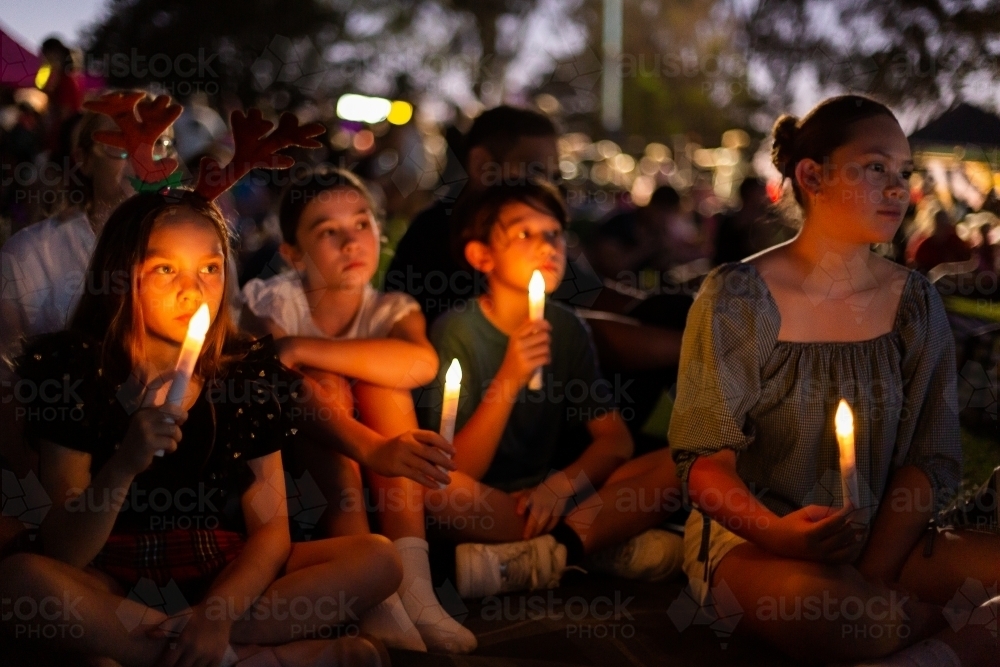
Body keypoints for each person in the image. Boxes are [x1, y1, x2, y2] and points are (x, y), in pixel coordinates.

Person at [0, 189, 398, 666]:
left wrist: (217, 612)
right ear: (120, 275)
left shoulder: (244, 373)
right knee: (22, 582)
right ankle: (248, 659)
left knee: (378, 559)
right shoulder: (76, 373)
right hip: (108, 574)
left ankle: (162, 649)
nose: (192, 290)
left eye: (209, 268)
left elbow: (271, 532)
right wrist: (124, 465)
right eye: (165, 270)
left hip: (219, 569)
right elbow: (66, 550)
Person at [670, 95, 1000, 666]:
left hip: (887, 537)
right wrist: (780, 536)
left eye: (904, 172)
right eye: (876, 168)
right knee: (843, 618)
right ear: (812, 176)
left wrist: (874, 570)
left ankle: (916, 637)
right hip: (758, 542)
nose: (898, 188)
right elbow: (705, 462)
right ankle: (942, 639)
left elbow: (930, 455)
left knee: (870, 607)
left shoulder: (915, 302)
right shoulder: (740, 297)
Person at [241, 166, 477, 653]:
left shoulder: (391, 308)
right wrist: (306, 360)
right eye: (328, 232)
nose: (351, 242)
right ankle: (375, 599)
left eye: (362, 224)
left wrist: (301, 347)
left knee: (384, 385)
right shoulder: (270, 301)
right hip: (292, 462)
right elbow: (277, 375)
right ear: (291, 253)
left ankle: (414, 584)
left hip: (380, 460)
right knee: (323, 384)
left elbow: (421, 362)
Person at [418, 180, 686, 599]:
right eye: (525, 233)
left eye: (554, 233)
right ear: (481, 255)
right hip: (482, 502)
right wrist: (509, 377)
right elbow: (456, 468)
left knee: (682, 460)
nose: (547, 245)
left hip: (548, 496)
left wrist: (561, 486)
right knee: (436, 492)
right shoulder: (458, 331)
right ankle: (595, 543)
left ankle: (547, 552)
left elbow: (615, 441)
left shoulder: (565, 327)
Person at [385, 105, 562, 324]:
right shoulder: (430, 238)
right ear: (482, 165)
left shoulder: (545, 239)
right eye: (534, 172)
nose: (547, 188)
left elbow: (590, 295)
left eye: (555, 177)